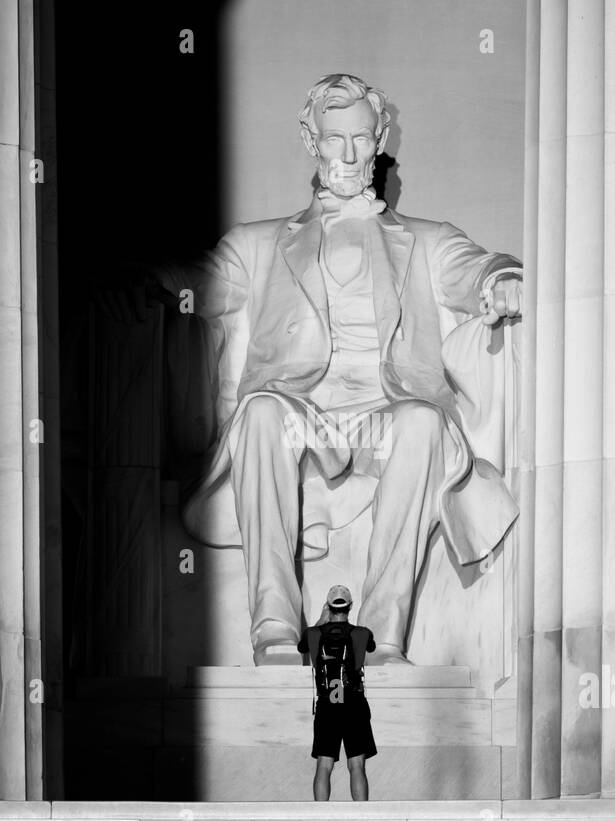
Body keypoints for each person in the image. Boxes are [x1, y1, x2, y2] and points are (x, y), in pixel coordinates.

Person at [176, 73, 525, 665]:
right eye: (334, 138)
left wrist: (502, 281)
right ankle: (273, 632)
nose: (348, 153)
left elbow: (478, 269)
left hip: (386, 417)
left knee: (422, 422)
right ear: (310, 138)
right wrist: (150, 284)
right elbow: (199, 285)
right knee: (260, 414)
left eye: (361, 139)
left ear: (380, 137)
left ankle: (383, 638)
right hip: (297, 416)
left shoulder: (427, 240)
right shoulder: (258, 244)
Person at [298, 585, 377, 800]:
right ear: (350, 606)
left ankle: (320, 817)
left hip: (327, 703)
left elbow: (302, 646)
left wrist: (322, 620)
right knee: (357, 764)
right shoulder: (362, 633)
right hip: (353, 703)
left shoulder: (313, 634)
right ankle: (362, 816)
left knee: (324, 765)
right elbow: (371, 647)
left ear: (329, 606)